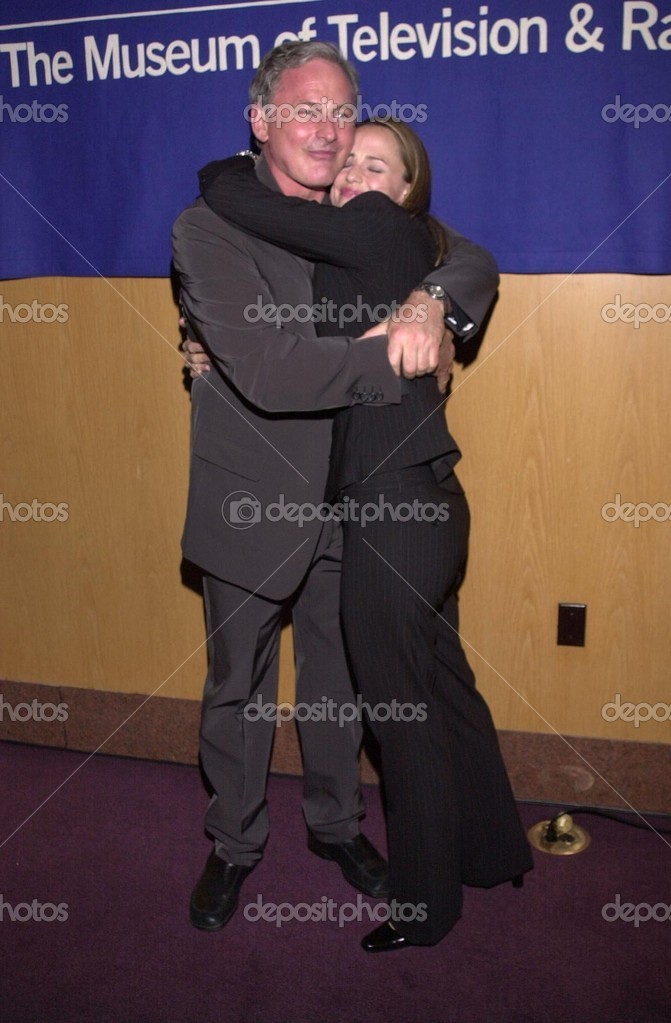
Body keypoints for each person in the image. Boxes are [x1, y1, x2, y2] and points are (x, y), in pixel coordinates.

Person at [172, 40, 500, 935]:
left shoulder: (359, 199)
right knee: (237, 688)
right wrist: (393, 356)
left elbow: (464, 256)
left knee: (339, 679)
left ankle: (336, 826)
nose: (326, 130)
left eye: (340, 111)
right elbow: (273, 370)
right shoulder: (206, 225)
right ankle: (234, 843)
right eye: (305, 111)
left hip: (357, 497)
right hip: (250, 493)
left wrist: (433, 303)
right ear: (262, 120)